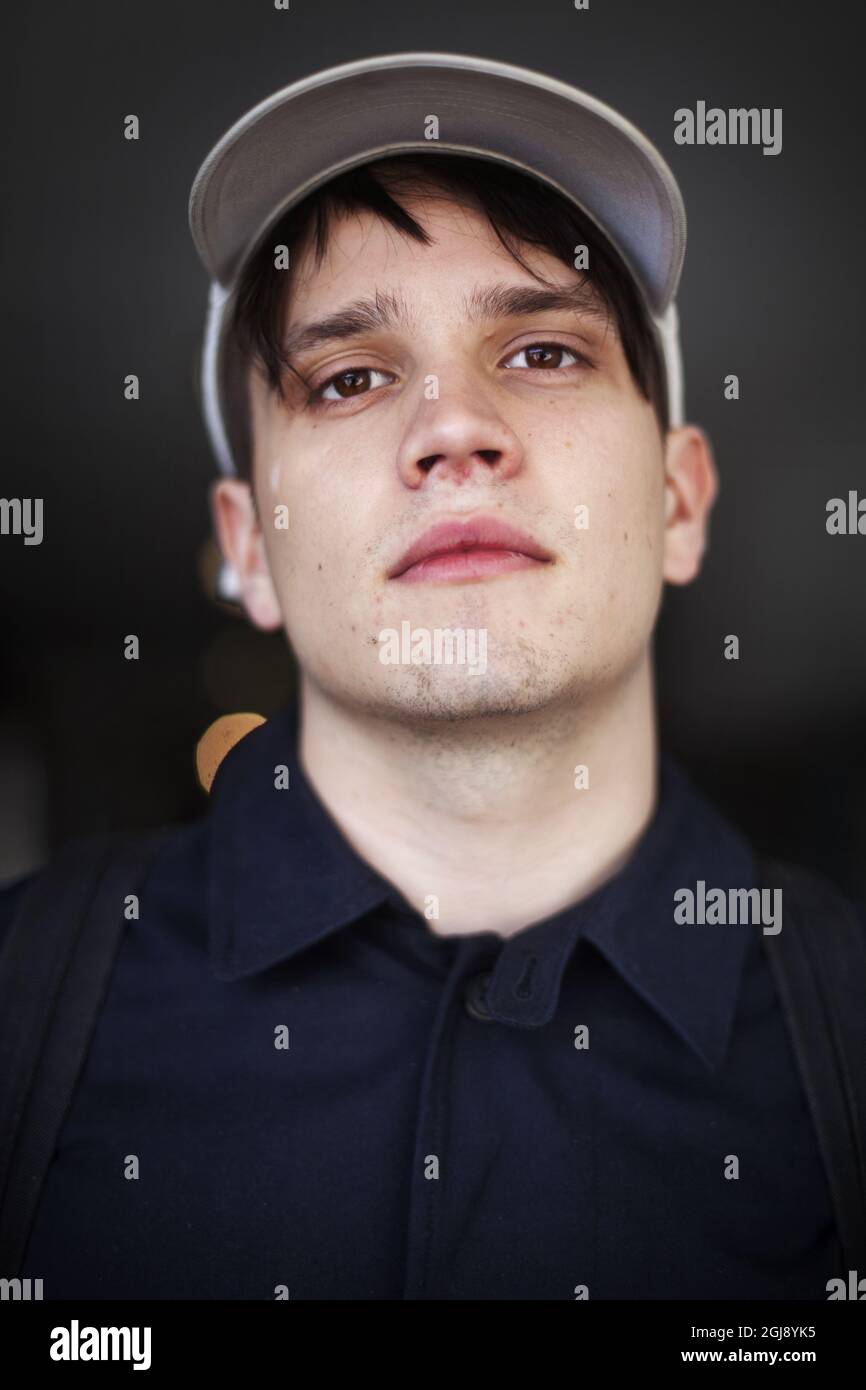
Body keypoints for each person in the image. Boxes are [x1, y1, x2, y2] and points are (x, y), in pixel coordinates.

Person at [1, 53, 864, 1301]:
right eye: (350, 378)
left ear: (677, 500)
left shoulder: (844, 1032)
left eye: (544, 353)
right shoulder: (25, 993)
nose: (453, 427)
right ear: (249, 549)